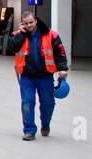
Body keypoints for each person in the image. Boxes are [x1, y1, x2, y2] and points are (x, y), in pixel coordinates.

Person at [7, 11, 68, 140]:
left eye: (31, 22)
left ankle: (45, 124)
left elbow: (60, 52)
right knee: (27, 103)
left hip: (45, 76)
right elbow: (12, 47)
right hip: (26, 76)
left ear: (36, 21)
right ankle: (29, 131)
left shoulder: (51, 35)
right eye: (26, 23)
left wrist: (62, 68)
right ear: (22, 24)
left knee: (48, 103)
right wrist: (22, 34)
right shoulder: (17, 35)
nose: (29, 25)